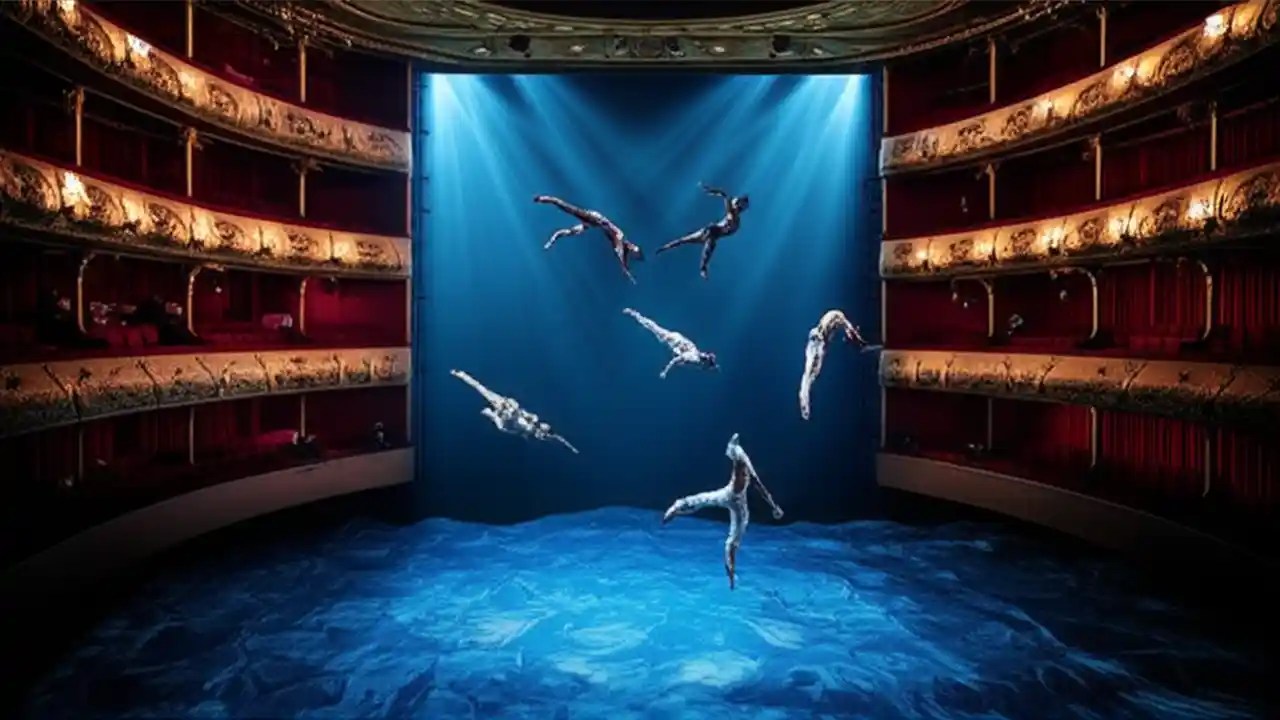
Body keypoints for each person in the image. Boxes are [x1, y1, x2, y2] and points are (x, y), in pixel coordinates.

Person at [662, 433, 783, 590]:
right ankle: (678, 507)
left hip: (739, 500)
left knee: (733, 538)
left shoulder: (745, 462)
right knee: (703, 500)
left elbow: (760, 488)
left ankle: (731, 573)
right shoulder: (738, 454)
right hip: (730, 493)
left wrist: (774, 506)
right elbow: (733, 445)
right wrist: (774, 507)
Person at [451, 369, 579, 454]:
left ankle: (491, 412)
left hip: (508, 416)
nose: (543, 429)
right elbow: (556, 437)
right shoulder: (532, 421)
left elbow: (509, 427)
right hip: (508, 410)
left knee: (486, 397)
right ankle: (461, 375)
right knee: (482, 389)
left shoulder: (529, 428)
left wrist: (499, 414)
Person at [534, 194, 644, 283]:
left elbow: (621, 255)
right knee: (569, 209)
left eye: (633, 251)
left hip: (593, 223)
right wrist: (624, 267)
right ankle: (548, 199)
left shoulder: (622, 247)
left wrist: (626, 270)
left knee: (571, 232)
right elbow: (619, 250)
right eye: (635, 249)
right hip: (595, 219)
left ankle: (553, 238)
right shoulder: (620, 236)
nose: (632, 249)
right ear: (632, 246)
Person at [655, 183, 750, 279]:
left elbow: (726, 199)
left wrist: (712, 191)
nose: (736, 207)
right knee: (683, 240)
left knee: (703, 248)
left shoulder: (734, 220)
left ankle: (702, 268)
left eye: (738, 206)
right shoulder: (732, 216)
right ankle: (665, 248)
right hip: (707, 232)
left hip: (712, 234)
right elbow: (725, 197)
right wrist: (710, 190)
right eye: (737, 205)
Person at [799, 309, 880, 420]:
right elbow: (853, 335)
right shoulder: (839, 322)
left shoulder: (839, 322)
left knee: (810, 374)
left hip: (821, 336)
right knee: (810, 374)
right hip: (820, 338)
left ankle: (805, 400)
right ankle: (804, 401)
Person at [622, 307, 717, 378]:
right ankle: (634, 314)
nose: (705, 355)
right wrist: (665, 371)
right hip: (674, 340)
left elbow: (679, 360)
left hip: (676, 340)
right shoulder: (693, 358)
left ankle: (636, 315)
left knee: (654, 328)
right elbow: (675, 360)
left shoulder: (695, 358)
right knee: (654, 328)